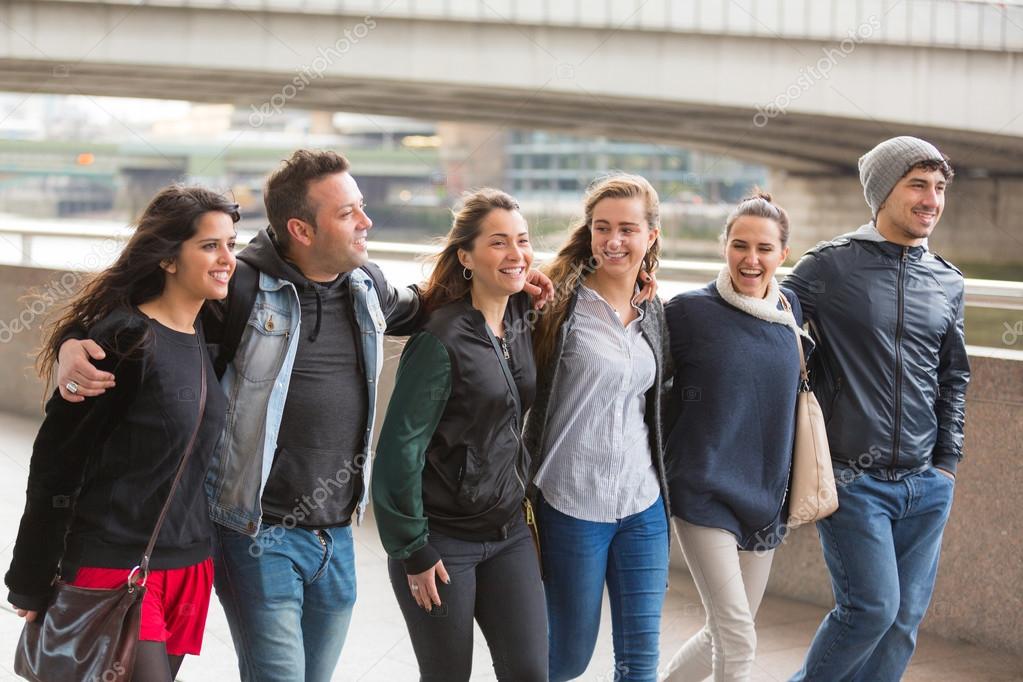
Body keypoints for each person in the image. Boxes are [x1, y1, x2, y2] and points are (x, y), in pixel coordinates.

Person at [55, 149, 553, 682]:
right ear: (301, 229)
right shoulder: (239, 287)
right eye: (347, 214)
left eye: (361, 207)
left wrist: (520, 283)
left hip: (336, 535)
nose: (367, 222)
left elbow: (428, 304)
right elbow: (146, 312)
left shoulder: (367, 286)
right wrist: (71, 341)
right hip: (257, 533)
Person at [6, 185, 239, 681]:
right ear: (168, 260)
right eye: (209, 245)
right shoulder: (123, 339)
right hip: (113, 565)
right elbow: (57, 461)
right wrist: (30, 578)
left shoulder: (209, 326)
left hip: (187, 565)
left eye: (231, 244)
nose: (227, 259)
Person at [786, 136, 970, 682]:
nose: (931, 200)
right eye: (917, 185)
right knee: (870, 610)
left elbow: (953, 374)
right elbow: (764, 315)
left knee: (903, 623)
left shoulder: (947, 279)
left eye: (938, 188)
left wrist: (946, 463)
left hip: (927, 483)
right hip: (853, 479)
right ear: (882, 192)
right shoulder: (830, 267)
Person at [372, 188, 548, 682]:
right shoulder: (440, 339)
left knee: (532, 671)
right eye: (498, 243)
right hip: (444, 543)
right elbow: (398, 451)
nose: (516, 253)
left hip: (509, 532)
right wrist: (413, 548)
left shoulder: (518, 314)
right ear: (466, 256)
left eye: (523, 240)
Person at [523, 174, 672, 682]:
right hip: (571, 502)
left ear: (650, 236)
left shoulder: (655, 310)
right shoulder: (555, 307)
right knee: (566, 658)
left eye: (628, 229)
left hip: (643, 504)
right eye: (602, 227)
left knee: (640, 665)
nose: (613, 240)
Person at [660, 193, 808, 681]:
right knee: (739, 636)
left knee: (723, 632)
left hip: (766, 499)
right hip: (704, 492)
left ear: (782, 254)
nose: (751, 258)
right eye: (739, 245)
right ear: (724, 246)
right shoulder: (687, 312)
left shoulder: (791, 309)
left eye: (764, 248)